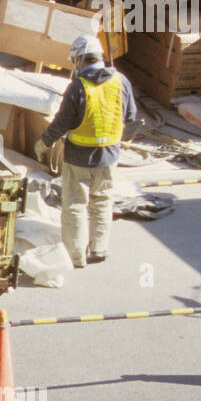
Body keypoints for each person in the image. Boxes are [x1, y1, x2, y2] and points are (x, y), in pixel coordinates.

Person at [36, 35, 137, 268]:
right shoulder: (121, 81)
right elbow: (130, 116)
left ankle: (75, 255)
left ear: (80, 59)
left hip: (79, 157)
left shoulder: (77, 87)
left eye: (75, 61)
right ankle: (99, 248)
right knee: (102, 201)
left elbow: (62, 123)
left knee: (74, 204)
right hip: (109, 156)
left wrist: (43, 142)